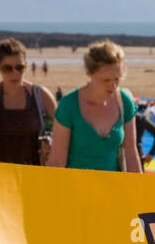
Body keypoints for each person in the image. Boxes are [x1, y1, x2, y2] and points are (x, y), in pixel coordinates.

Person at [47, 40, 142, 172]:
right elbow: (57, 162)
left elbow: (131, 153)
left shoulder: (124, 102)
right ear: (90, 73)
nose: (113, 86)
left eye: (117, 79)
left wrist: (140, 190)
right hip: (74, 189)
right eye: (106, 80)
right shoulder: (69, 105)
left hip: (112, 189)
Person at [0, 38, 56, 166]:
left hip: (34, 176)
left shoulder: (40, 96)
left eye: (19, 67)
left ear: (26, 66)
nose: (14, 73)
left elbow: (64, 132)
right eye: (7, 68)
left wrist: (50, 144)